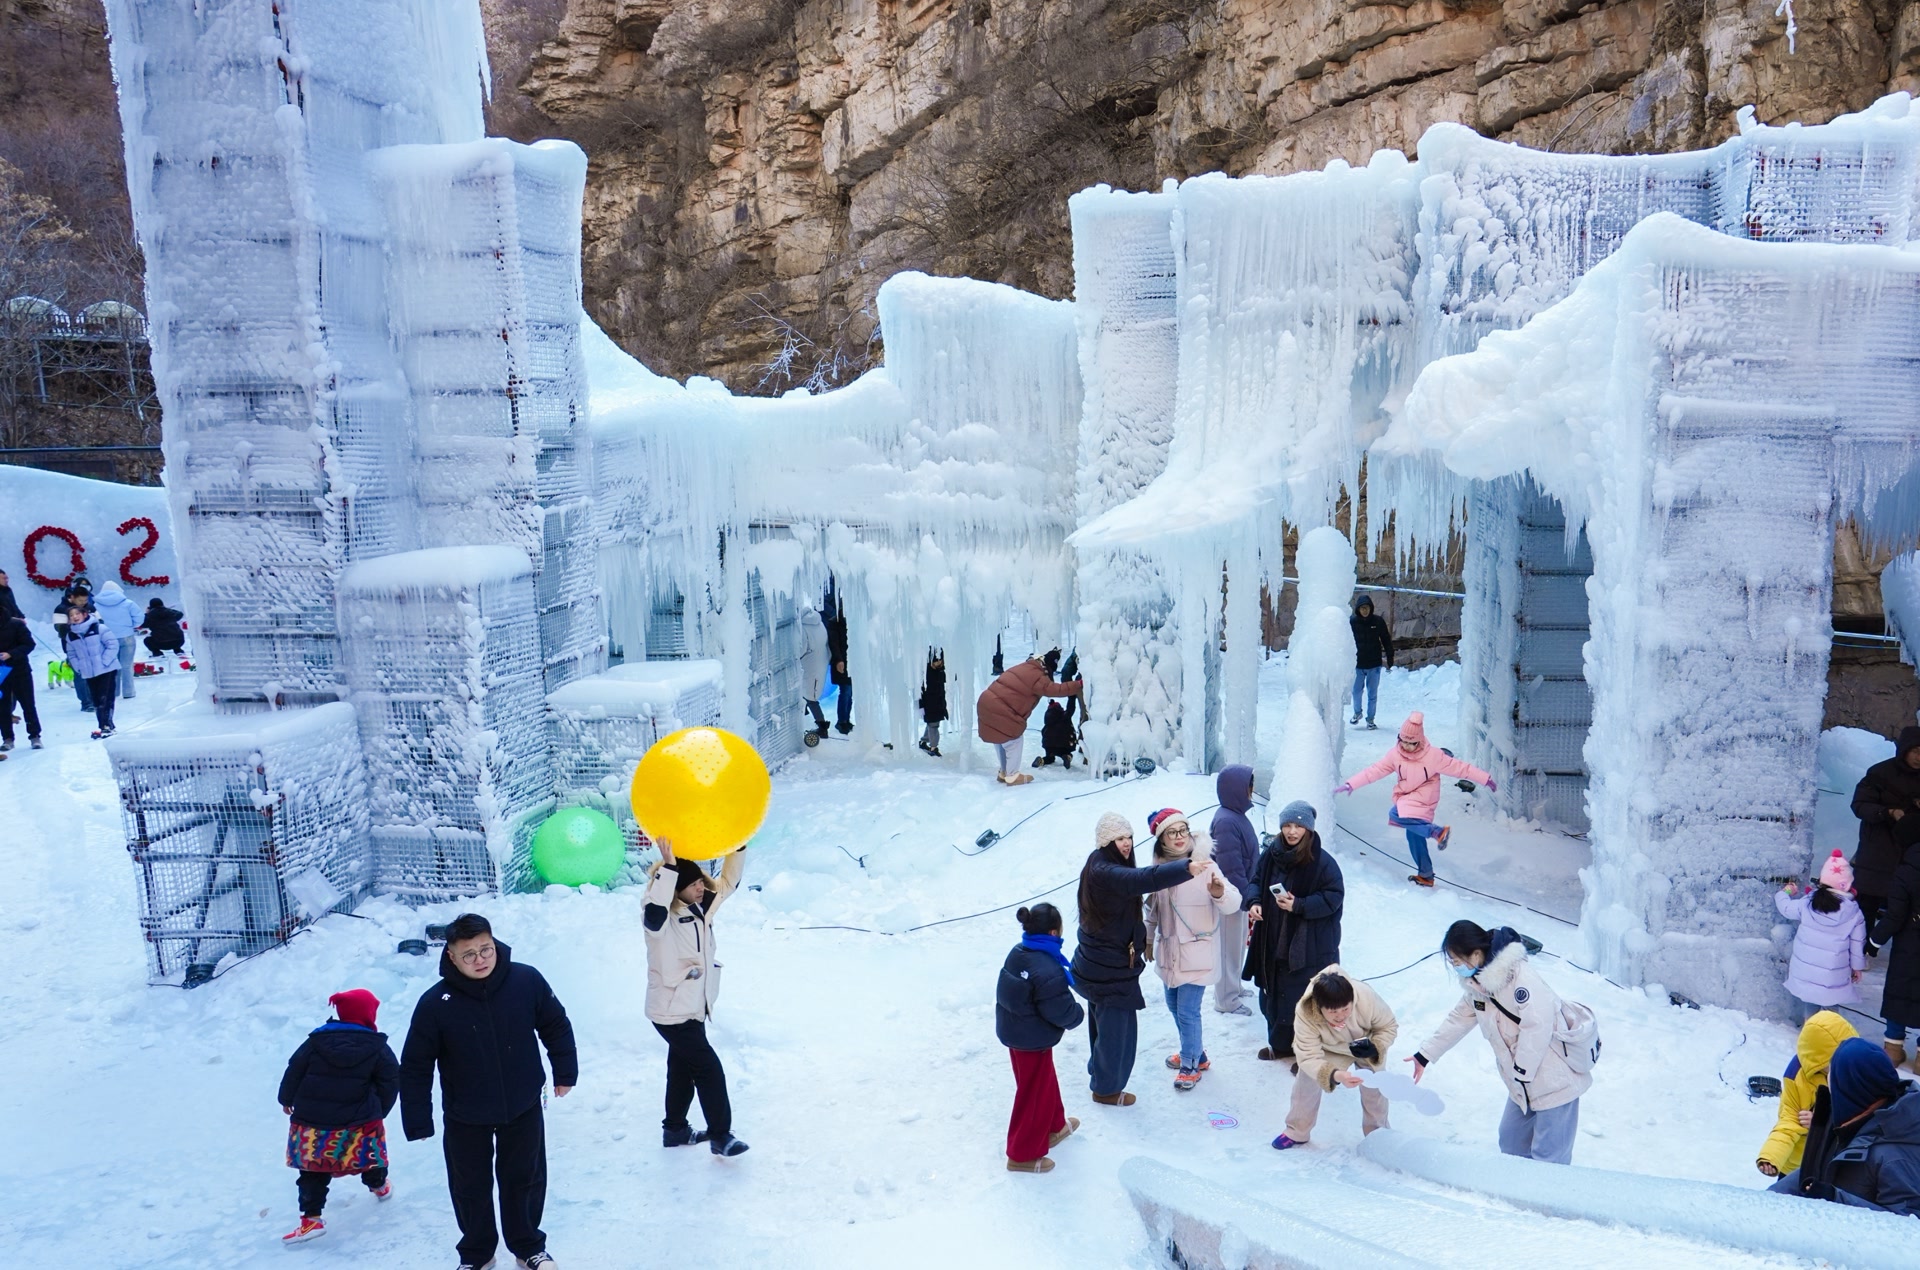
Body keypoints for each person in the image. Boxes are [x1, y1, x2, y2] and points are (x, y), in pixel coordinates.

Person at [400, 914, 576, 1270]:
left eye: (486, 949)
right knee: (470, 1186)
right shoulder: (436, 1003)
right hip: (467, 1113)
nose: (480, 960)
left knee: (524, 1178)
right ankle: (478, 1254)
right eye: (469, 955)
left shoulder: (525, 980)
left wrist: (565, 1070)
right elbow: (416, 1064)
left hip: (523, 1102)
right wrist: (418, 1118)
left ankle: (528, 1246)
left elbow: (555, 1023)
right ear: (450, 956)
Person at [1410, 919, 1590, 1165]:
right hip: (1522, 1084)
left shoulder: (1520, 978)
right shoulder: (1479, 986)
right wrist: (1424, 1055)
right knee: (1512, 1143)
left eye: (1456, 960)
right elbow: (1457, 1020)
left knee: (1550, 1157)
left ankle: (1544, 1200)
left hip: (1554, 1079)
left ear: (1475, 954)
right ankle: (1523, 1193)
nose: (1455, 966)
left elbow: (1538, 1024)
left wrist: (1522, 1071)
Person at [1071, 811, 1208, 1105]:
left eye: (1129, 837)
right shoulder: (1106, 872)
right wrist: (1186, 868)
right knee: (1116, 1034)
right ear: (1106, 842)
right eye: (1119, 838)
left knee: (1102, 1025)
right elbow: (1144, 878)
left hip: (1098, 964)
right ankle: (1106, 1090)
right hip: (1108, 969)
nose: (1127, 844)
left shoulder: (1099, 864)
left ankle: (1100, 1075)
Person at [644, 845, 750, 1158]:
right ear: (677, 889)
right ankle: (721, 1135)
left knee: (682, 1067)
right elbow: (654, 912)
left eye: (700, 882)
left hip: (693, 1007)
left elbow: (728, 883)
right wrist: (670, 868)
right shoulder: (662, 919)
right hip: (670, 1010)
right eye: (693, 885)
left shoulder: (702, 908)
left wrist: (738, 845)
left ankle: (674, 1129)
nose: (701, 887)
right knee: (708, 1068)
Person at [277, 989, 400, 1246]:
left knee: (312, 1169)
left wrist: (286, 1099)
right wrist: (379, 1111)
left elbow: (294, 1069)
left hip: (312, 1120)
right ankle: (379, 1186)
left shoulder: (315, 1042)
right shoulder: (377, 1047)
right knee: (369, 1156)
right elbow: (390, 1081)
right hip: (361, 1120)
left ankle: (311, 1218)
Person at [1337, 711, 1492, 888]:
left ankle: (1436, 832)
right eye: (1404, 741)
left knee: (1396, 814)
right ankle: (1426, 874)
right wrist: (1352, 784)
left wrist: (1485, 778)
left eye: (1412, 743)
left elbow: (1461, 768)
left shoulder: (1433, 756)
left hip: (1424, 797)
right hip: (1408, 796)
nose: (1407, 746)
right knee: (1414, 836)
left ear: (1419, 740)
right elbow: (1374, 771)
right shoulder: (1395, 755)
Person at [1142, 808, 1237, 1090]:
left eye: (1183, 830)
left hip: (1198, 953)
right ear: (1162, 840)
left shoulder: (1205, 865)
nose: (1180, 837)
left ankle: (1189, 1065)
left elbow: (1233, 902)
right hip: (1169, 953)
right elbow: (1153, 909)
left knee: (1187, 1011)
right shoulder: (1158, 870)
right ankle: (1198, 1053)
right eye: (1172, 833)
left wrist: (1220, 893)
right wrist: (1148, 938)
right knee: (1173, 1006)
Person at [1246, 801, 1344, 1062]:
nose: (1291, 831)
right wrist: (1254, 902)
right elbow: (1255, 881)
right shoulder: (1271, 855)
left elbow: (1333, 897)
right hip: (1272, 938)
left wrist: (1299, 905)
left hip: (1307, 945)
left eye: (1298, 826)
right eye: (1287, 825)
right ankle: (1280, 1045)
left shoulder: (1323, 862)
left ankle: (1308, 1055)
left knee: (1305, 999)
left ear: (1308, 829)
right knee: (1273, 995)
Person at [1778, 1036, 1920, 1213]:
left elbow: (1907, 1227)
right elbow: (1808, 1177)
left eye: (1834, 1076)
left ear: (1851, 1089)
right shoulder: (1846, 1123)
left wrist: (1834, 1199)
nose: (1828, 1082)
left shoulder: (1895, 1155)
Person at [996, 902, 1086, 1173]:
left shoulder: (1021, 950)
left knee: (1042, 1080)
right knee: (1032, 1090)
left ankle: (1053, 1125)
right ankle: (1021, 1154)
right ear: (1053, 931)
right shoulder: (1046, 966)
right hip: (1030, 1039)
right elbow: (1060, 1009)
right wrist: (1078, 1015)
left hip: (1017, 1031)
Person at [1273, 967, 1397, 1150]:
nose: (1340, 1016)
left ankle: (1377, 1134)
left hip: (1364, 1043)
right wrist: (1336, 1075)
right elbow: (1307, 1055)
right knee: (1307, 1079)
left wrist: (1376, 1046)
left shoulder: (1365, 995)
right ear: (1319, 1006)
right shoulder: (1305, 1011)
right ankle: (1296, 1131)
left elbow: (1389, 1025)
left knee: (1374, 1082)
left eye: (1345, 1009)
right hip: (1328, 1047)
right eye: (1332, 1012)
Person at [1756, 1009, 1857, 1178]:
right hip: (1799, 1164)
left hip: (1836, 1163)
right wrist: (1771, 1156)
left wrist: (1822, 1123)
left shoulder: (1856, 1069)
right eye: (1835, 1061)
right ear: (1820, 1058)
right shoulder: (1796, 1077)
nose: (1844, 1064)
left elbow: (1864, 1119)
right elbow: (1789, 1121)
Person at [1775, 851, 1866, 1020]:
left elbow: (1786, 909)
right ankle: (1832, 1035)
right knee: (1831, 1003)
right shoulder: (1853, 912)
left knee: (1811, 999)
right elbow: (1857, 943)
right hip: (1834, 971)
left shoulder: (1808, 903)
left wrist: (1784, 893)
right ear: (1845, 886)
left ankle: (1810, 1032)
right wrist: (1857, 967)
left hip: (1807, 969)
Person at [976, 649, 1083, 786]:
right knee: (1014, 740)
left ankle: (1004, 772)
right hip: (1001, 709)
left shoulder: (1025, 667)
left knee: (1001, 738)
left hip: (986, 703)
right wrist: (1078, 685)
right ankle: (1012, 775)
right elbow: (1056, 690)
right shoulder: (1039, 676)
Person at [1852, 726, 1920, 936]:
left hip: (1910, 854)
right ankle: (1861, 948)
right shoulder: (1879, 772)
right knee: (1868, 903)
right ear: (1905, 749)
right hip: (1878, 850)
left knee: (1907, 905)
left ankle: (1902, 954)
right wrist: (1888, 812)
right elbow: (1860, 805)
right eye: (1916, 750)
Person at [1208, 765, 1259, 1017]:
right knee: (1228, 948)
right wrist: (1245, 896)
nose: (1252, 790)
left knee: (1237, 944)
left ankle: (1234, 987)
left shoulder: (1235, 815)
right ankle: (1225, 999)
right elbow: (1231, 865)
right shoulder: (1227, 821)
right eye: (1249, 785)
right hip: (1232, 896)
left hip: (1241, 895)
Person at [1871, 839, 1920, 1073]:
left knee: (1899, 990)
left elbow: (1894, 915)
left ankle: (1892, 1049)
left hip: (1908, 942)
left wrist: (1874, 941)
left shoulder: (1905, 871)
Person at [63, 604, 119, 739]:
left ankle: (106, 725)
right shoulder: (71, 636)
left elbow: (112, 644)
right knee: (96, 699)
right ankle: (104, 725)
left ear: (84, 614)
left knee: (105, 697)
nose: (75, 617)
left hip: (106, 669)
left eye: (77, 614)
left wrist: (104, 661)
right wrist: (79, 667)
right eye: (71, 616)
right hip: (88, 672)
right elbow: (71, 654)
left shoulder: (99, 628)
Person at [1349, 594, 1394, 729]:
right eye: (1362, 608)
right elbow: (1342, 640)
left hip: (1374, 664)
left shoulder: (1378, 622)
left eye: (1367, 608)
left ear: (1371, 608)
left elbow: (1386, 639)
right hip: (1357, 664)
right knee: (1356, 691)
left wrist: (1390, 656)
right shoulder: (1352, 622)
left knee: (1372, 693)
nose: (1365, 610)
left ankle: (1370, 719)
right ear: (1358, 609)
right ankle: (1357, 713)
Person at [92, 579, 141, 699]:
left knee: (112, 665)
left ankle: (114, 691)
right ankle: (129, 692)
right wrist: (130, 626)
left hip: (107, 639)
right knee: (127, 665)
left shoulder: (96, 605)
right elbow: (139, 618)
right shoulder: (128, 603)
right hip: (127, 636)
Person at [0, 608, 40, 753]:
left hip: (20, 670)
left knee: (28, 703)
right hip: (0, 674)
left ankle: (35, 735)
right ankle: (7, 738)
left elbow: (29, 644)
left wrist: (10, 654)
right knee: (2, 706)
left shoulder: (15, 624)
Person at [53, 582, 93, 712]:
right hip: (73, 647)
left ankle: (94, 699)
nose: (83, 603)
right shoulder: (61, 609)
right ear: (72, 597)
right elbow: (59, 629)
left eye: (85, 600)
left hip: (92, 646)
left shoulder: (90, 607)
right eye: (80, 600)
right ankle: (86, 702)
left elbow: (99, 623)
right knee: (80, 674)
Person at [824, 585, 853, 736]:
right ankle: (842, 721)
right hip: (842, 661)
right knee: (846, 691)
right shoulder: (835, 622)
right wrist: (838, 660)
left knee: (849, 692)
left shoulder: (850, 621)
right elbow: (834, 643)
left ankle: (845, 720)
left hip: (850, 661)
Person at [799, 606, 830, 741]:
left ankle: (822, 726)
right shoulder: (820, 623)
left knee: (810, 696)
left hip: (810, 665)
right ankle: (805, 718)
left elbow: (801, 649)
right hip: (822, 661)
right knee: (810, 694)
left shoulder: (804, 629)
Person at [918, 647, 947, 757]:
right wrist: (921, 706)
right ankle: (933, 747)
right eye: (937, 660)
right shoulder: (925, 674)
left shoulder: (940, 671)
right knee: (933, 725)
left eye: (941, 660)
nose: (939, 662)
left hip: (939, 703)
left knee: (932, 724)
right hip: (929, 705)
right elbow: (920, 691)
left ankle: (923, 741)